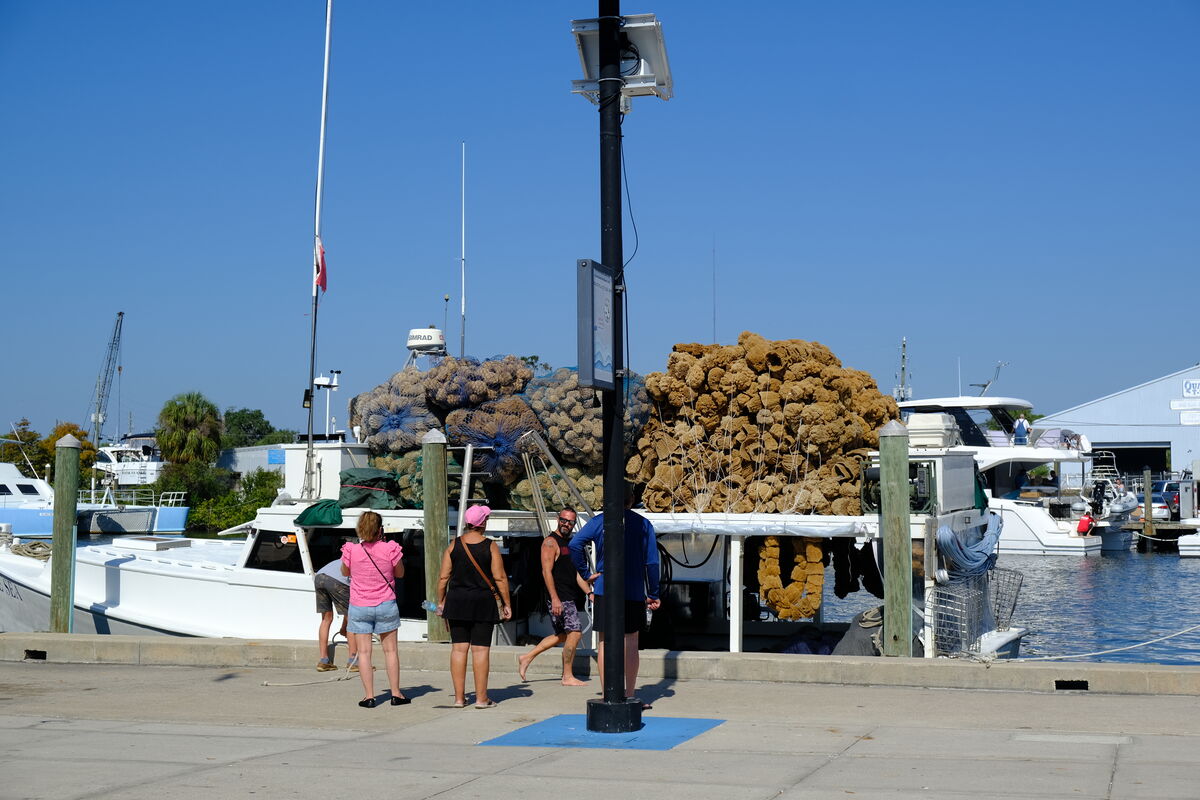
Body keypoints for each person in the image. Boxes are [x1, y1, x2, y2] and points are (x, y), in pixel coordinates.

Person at [568, 490, 660, 709]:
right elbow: (652, 563)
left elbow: (574, 544)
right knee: (631, 642)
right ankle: (629, 694)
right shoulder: (643, 524)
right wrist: (654, 592)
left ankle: (608, 692)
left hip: (604, 588)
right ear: (632, 501)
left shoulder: (600, 521)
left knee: (604, 642)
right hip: (633, 589)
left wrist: (585, 572)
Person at [436, 505, 512, 708]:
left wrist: (441, 601)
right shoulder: (490, 546)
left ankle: (459, 699)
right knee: (480, 651)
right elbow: (500, 577)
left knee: (459, 650)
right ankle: (481, 699)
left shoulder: (454, 545)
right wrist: (506, 603)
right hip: (482, 602)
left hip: (457, 601)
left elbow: (443, 577)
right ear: (483, 523)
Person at [341, 511, 409, 708]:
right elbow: (400, 573)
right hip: (386, 603)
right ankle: (396, 694)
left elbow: (345, 571)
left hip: (360, 605)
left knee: (364, 653)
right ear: (380, 529)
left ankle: (369, 696)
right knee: (390, 651)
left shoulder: (351, 550)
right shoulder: (390, 549)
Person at [517, 506, 591, 685]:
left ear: (574, 523)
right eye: (563, 520)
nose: (566, 524)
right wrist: (555, 598)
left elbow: (575, 574)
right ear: (558, 519)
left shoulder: (570, 543)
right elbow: (546, 572)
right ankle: (567, 676)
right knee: (575, 632)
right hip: (560, 597)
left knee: (562, 635)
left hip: (568, 595)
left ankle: (527, 657)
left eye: (570, 521)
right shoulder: (550, 542)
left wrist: (590, 592)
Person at [314, 557, 358, 672]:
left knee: (326, 619)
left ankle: (324, 661)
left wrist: (343, 628)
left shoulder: (340, 560)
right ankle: (353, 661)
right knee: (352, 618)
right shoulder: (359, 564)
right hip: (337, 581)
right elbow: (349, 614)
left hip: (319, 577)